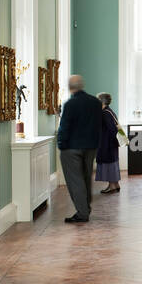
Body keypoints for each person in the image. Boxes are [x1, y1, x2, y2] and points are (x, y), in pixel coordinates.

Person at [56, 74, 101, 223]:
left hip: (72, 148)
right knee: (86, 177)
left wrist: (61, 145)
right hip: (91, 146)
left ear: (70, 87)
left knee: (75, 180)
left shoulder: (70, 104)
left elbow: (64, 127)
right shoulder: (95, 102)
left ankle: (82, 213)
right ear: (82, 85)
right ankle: (85, 207)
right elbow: (98, 125)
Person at [96, 92, 121, 193]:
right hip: (111, 144)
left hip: (107, 144)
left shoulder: (104, 113)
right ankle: (115, 184)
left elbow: (111, 129)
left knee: (109, 164)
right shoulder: (109, 111)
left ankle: (111, 186)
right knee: (113, 163)